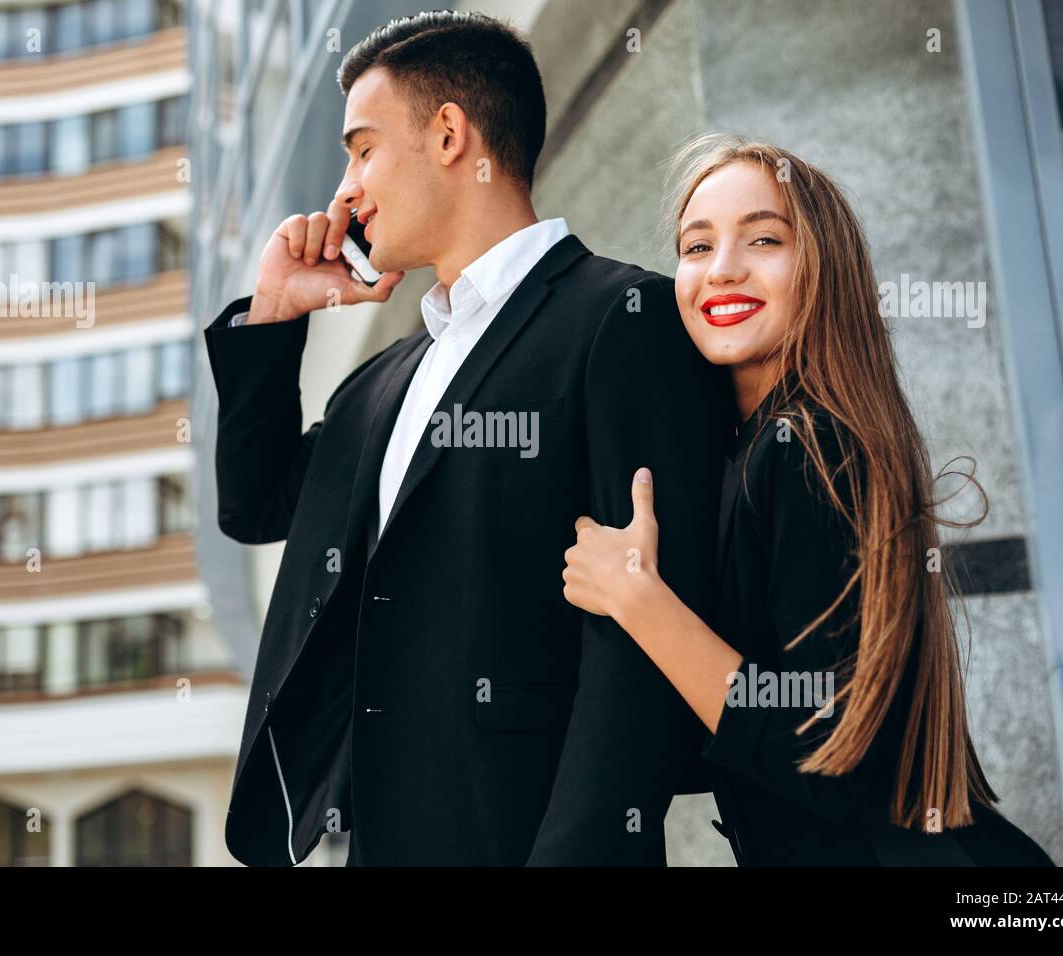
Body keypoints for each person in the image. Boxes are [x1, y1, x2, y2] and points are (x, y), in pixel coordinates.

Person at [205, 11, 730, 865]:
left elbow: (636, 648)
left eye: (362, 149)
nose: (344, 191)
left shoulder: (620, 320)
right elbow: (258, 507)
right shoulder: (383, 382)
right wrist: (273, 312)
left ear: (450, 134)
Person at [561, 133, 1054, 866]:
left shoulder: (809, 445)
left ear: (823, 270)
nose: (722, 268)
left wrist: (638, 599)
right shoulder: (763, 449)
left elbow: (825, 744)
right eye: (696, 248)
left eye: (763, 239)